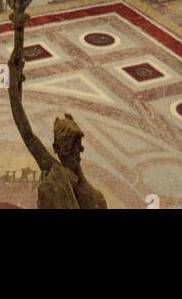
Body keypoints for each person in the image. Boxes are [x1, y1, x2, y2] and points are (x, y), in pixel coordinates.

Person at [7, 39, 108, 209]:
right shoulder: (96, 197)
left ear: (57, 147)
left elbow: (27, 134)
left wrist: (13, 87)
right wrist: (14, 86)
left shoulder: (56, 171)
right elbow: (27, 133)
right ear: (79, 148)